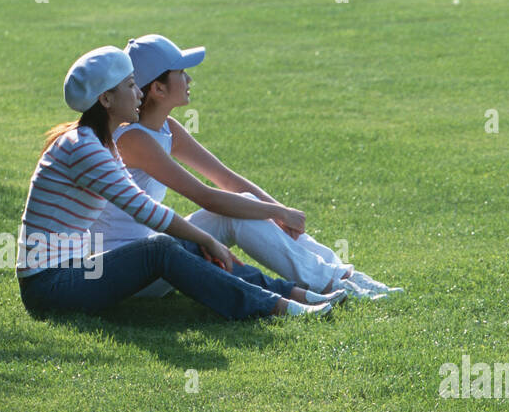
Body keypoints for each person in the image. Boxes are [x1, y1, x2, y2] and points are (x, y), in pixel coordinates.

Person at [17, 45, 342, 319]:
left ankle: (297, 294)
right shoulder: (83, 147)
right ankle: (278, 307)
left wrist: (202, 240)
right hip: (51, 287)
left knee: (174, 245)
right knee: (160, 249)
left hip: (76, 270)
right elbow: (146, 210)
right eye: (130, 86)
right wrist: (209, 240)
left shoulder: (99, 142)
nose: (139, 94)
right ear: (106, 100)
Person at [89, 34, 401, 301]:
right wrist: (277, 213)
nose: (190, 79)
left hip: (156, 250)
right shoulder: (131, 140)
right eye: (182, 73)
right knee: (241, 210)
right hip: (134, 270)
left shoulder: (167, 127)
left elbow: (227, 179)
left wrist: (281, 212)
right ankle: (331, 282)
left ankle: (344, 274)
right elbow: (206, 197)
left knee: (250, 205)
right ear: (157, 89)